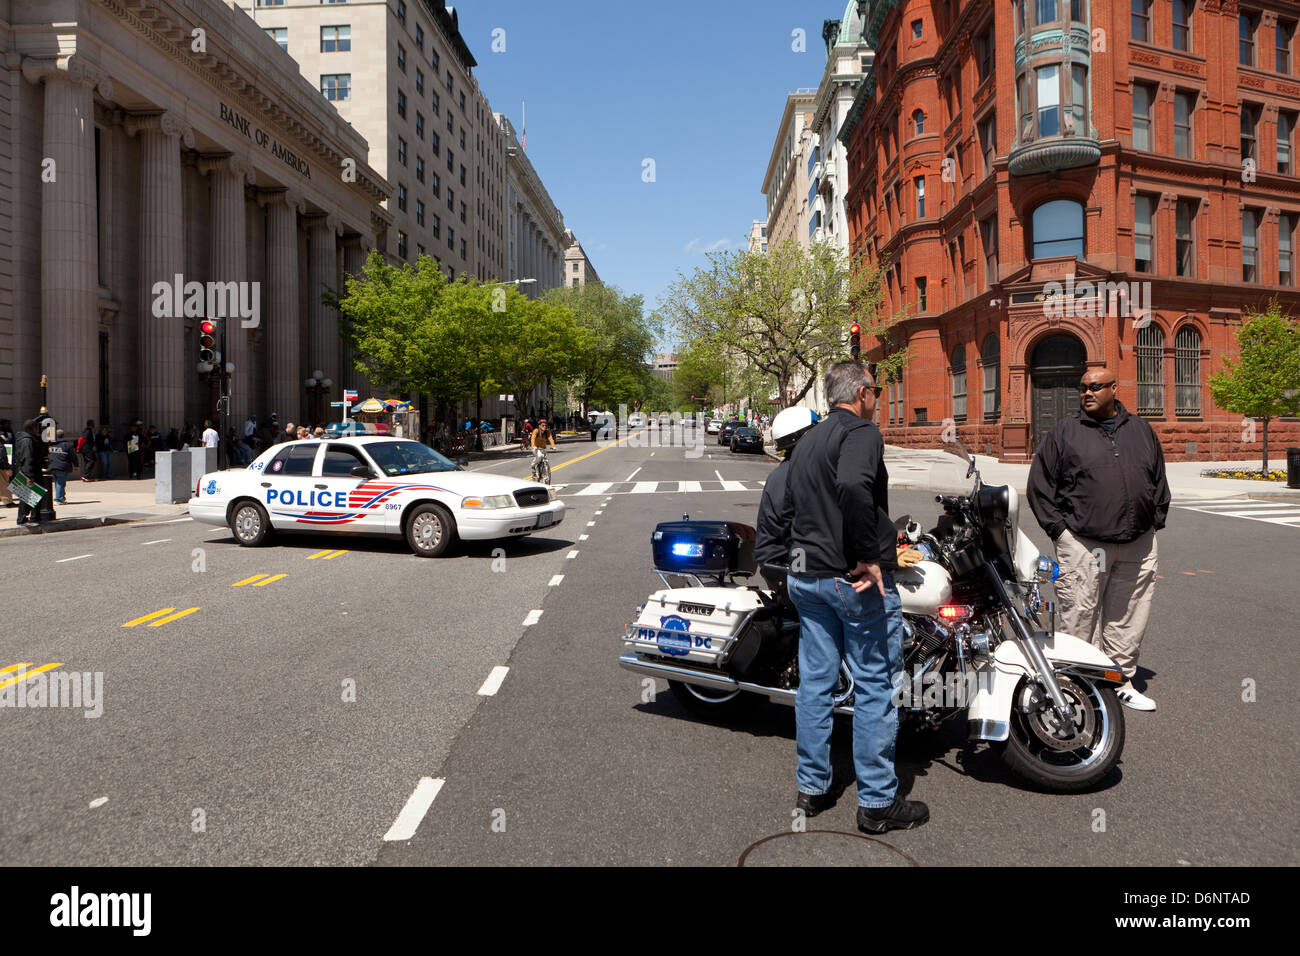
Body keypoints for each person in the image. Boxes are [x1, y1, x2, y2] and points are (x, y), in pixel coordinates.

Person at [775, 360, 927, 833]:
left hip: (808, 578)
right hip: (851, 581)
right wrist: (868, 555)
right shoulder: (860, 432)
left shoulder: (809, 439)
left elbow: (789, 503)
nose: (878, 399)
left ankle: (813, 789)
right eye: (876, 391)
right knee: (876, 688)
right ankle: (878, 802)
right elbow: (851, 485)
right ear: (861, 392)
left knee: (816, 685)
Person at [1026, 367, 1170, 712]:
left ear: (1114, 389)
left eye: (1095, 387)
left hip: (1137, 543)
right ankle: (1077, 686)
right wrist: (1060, 533)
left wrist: (1154, 520)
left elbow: (1158, 477)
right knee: (1079, 614)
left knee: (1129, 617)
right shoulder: (1065, 432)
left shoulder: (1140, 430)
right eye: (1082, 388)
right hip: (1083, 543)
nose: (1087, 393)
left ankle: (1119, 680)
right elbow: (1039, 486)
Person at [754, 406, 820, 579]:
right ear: (808, 436)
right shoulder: (807, 473)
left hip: (776, 565)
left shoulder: (778, 474)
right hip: (795, 568)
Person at [13, 418, 44, 526]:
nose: (38, 430)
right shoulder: (27, 440)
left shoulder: (28, 439)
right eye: (36, 428)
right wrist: (29, 475)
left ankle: (35, 517)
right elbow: (28, 457)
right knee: (27, 496)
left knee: (35, 495)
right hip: (30, 472)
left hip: (29, 471)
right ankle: (22, 519)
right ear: (32, 428)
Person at [48, 428, 75, 504]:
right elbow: (73, 456)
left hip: (52, 466)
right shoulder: (67, 445)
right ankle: (58, 499)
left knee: (58, 483)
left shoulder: (51, 444)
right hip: (62, 466)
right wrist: (76, 465)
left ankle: (61, 498)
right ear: (63, 436)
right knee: (60, 483)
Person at [0, 429, 13, 507]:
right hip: (1, 466)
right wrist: (7, 467)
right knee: (4, 483)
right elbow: (2, 455)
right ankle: (8, 501)